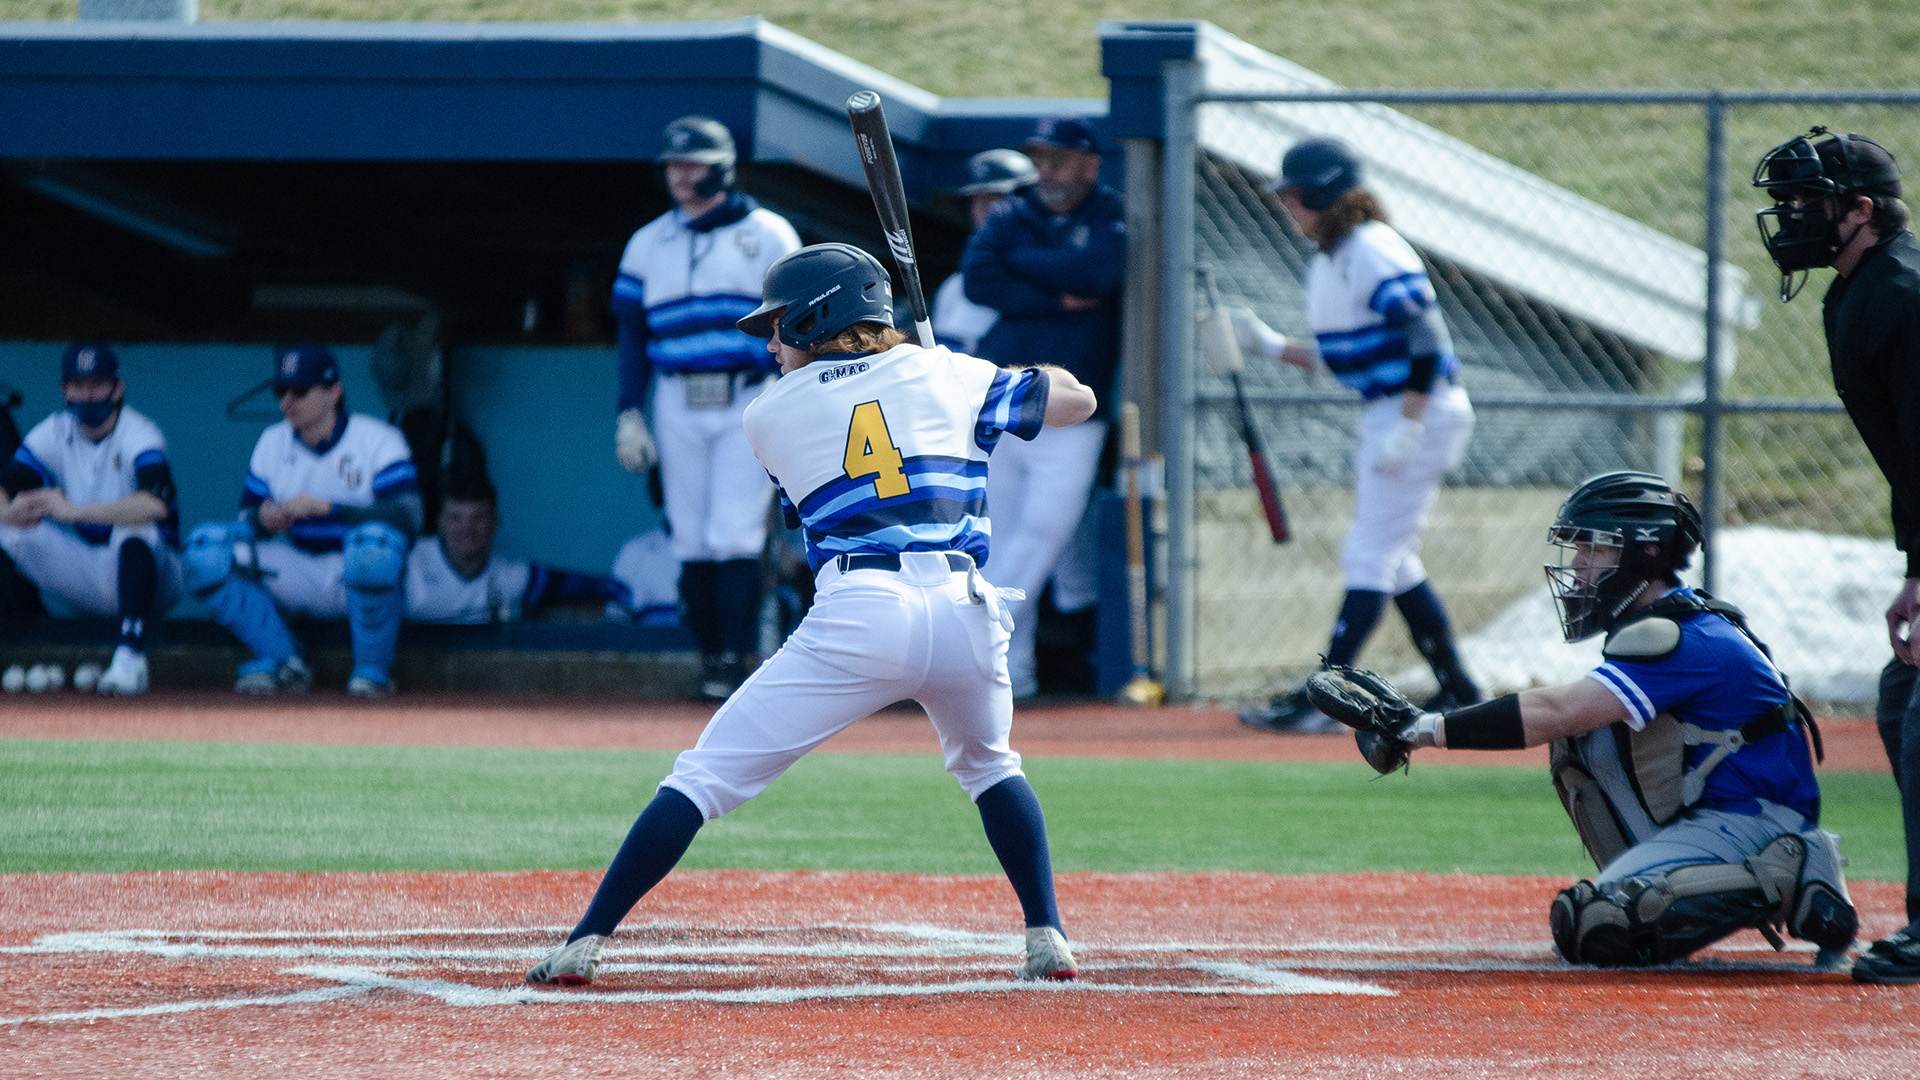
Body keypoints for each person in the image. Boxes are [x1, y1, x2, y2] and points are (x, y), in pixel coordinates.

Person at [525, 242, 1097, 987]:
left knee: (701, 779)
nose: (770, 345)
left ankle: (584, 939)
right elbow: (1077, 401)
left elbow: (847, 452)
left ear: (817, 317)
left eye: (779, 328)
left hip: (863, 613)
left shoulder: (767, 416)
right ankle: (1046, 931)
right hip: (966, 611)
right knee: (991, 767)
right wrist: (973, 374)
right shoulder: (951, 372)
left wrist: (932, 377)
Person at [1308, 471, 1858, 970]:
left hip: (1754, 822)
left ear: (1645, 551)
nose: (1578, 566)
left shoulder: (1682, 637)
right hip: (1714, 817)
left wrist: (1420, 727)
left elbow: (1555, 710)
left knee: (1597, 924)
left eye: (1592, 548)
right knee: (1584, 749)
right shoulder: (1664, 625)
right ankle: (1675, 874)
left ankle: (1792, 867)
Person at [1230, 136, 1480, 732]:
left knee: (1369, 555)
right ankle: (1461, 689)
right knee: (1394, 561)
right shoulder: (1333, 257)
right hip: (1394, 409)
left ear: (1321, 193)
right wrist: (1267, 346)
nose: (1286, 208)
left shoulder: (1371, 248)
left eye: (1293, 196)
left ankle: (1327, 696)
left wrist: (1412, 423)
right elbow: (1347, 356)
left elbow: (1426, 342)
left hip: (1417, 409)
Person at [1754, 126, 1920, 984]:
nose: (1789, 219)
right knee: (1902, 702)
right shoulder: (1859, 292)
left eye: (1806, 203)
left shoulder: (1903, 292)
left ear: (1860, 209)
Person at [610, 115, 803, 701]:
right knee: (689, 536)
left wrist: (794, 398)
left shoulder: (769, 232)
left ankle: (736, 656)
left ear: (721, 166)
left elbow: (797, 324)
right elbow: (629, 334)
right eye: (673, 164)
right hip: (675, 395)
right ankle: (710, 661)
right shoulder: (649, 241)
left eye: (691, 164)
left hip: (749, 391)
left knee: (736, 533)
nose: (679, 175)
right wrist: (628, 410)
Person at [960, 117, 1124, 698]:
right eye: (1041, 158)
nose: (1046, 170)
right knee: (998, 531)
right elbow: (979, 280)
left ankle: (978, 632)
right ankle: (1012, 675)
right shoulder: (1012, 212)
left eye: (1059, 159)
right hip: (1005, 398)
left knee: (1047, 530)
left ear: (1089, 162)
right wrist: (1059, 295)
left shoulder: (1108, 212)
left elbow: (1101, 273)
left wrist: (1023, 263)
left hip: (1077, 405)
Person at [184, 344, 419, 696]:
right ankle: (284, 660)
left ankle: (372, 672)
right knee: (207, 552)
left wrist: (332, 508)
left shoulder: (377, 439)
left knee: (374, 548)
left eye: (300, 391)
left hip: (358, 571)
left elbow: (408, 517)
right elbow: (247, 517)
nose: (287, 402)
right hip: (299, 566)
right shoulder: (272, 441)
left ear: (333, 392)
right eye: (282, 391)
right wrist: (263, 520)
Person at [0, 343, 181, 694]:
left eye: (97, 384)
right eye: (78, 385)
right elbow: (6, 486)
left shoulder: (140, 432)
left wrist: (74, 511)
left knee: (135, 527)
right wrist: (10, 512)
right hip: (92, 574)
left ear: (117, 389)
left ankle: (129, 657)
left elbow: (154, 505)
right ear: (64, 390)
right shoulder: (54, 432)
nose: (87, 394)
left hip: (157, 577)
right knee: (5, 530)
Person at [404, 473, 632, 624]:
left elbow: (589, 587)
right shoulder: (406, 563)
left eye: (478, 518)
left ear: (495, 522)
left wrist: (623, 597)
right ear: (439, 523)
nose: (467, 529)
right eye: (456, 518)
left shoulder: (511, 578)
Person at [931, 148, 1037, 356]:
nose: (986, 209)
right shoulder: (955, 285)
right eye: (979, 200)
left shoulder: (1046, 272)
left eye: (997, 198)